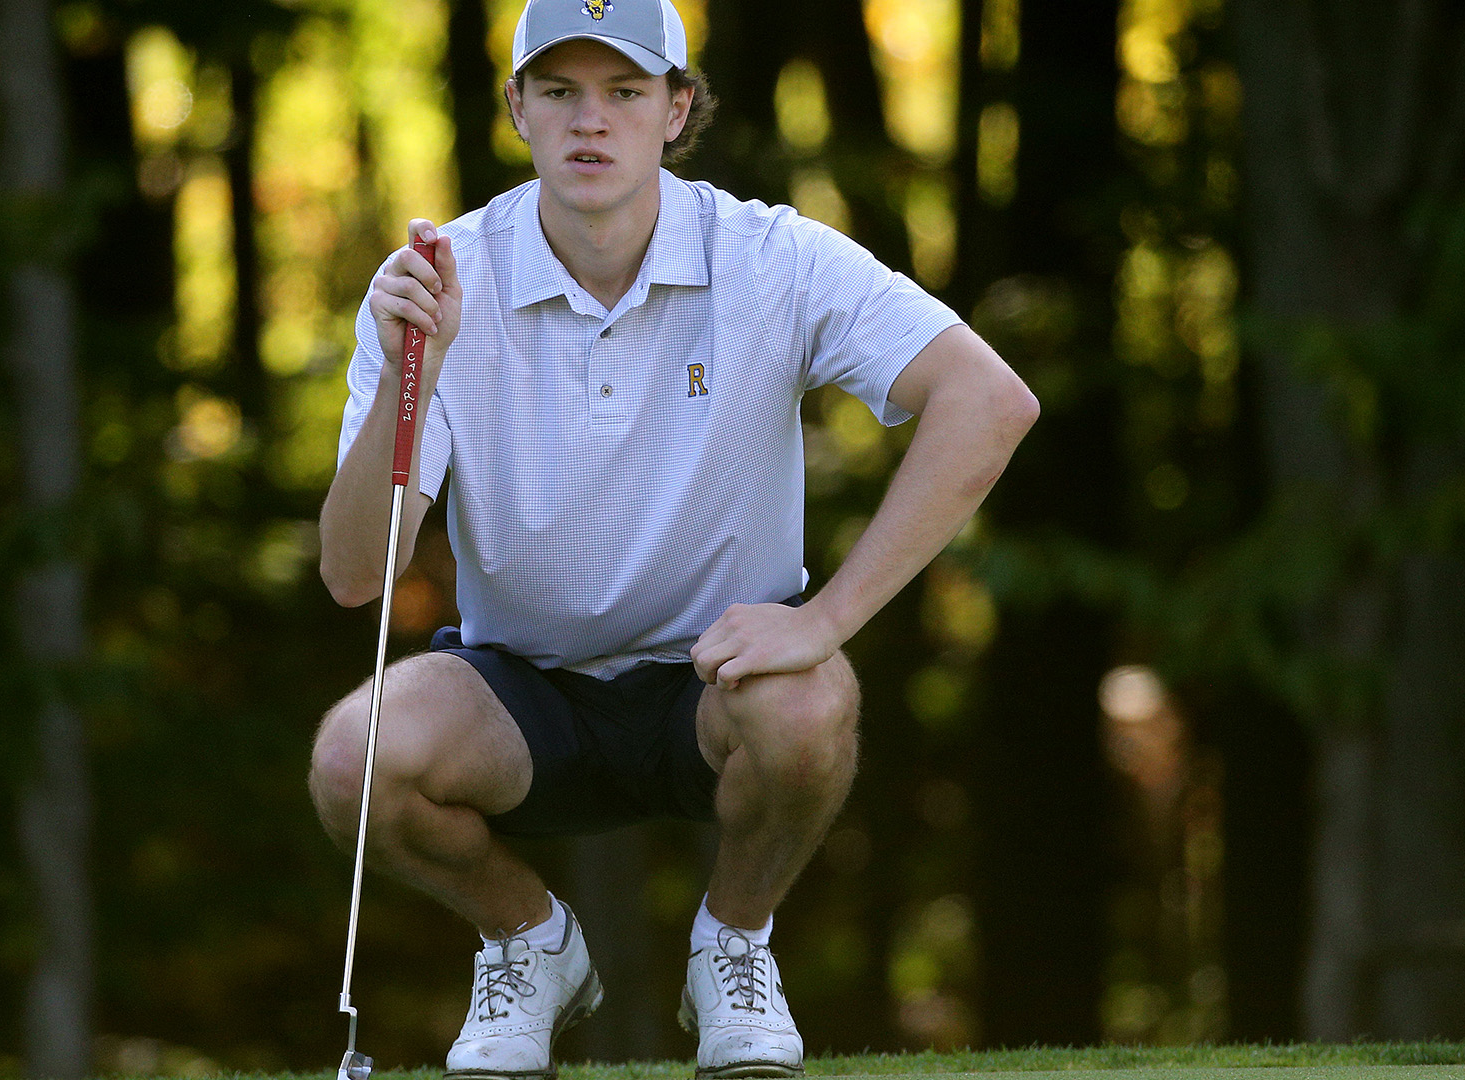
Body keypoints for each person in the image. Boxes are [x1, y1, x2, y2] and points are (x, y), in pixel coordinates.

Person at [311, 0, 1038, 1073]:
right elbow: (353, 573)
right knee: (355, 759)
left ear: (678, 109)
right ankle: (528, 944)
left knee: (812, 697)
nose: (589, 123)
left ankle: (734, 946)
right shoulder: (440, 278)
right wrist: (407, 373)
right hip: (519, 688)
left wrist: (826, 618)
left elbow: (989, 399)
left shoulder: (771, 257)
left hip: (717, 682)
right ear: (517, 109)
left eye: (625, 92)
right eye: (558, 91)